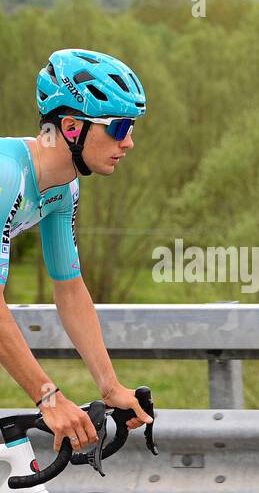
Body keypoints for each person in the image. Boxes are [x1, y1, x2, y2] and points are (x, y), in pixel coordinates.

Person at [0, 49, 153, 452]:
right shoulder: (6, 176)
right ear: (71, 127)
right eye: (120, 127)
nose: (130, 142)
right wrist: (48, 398)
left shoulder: (63, 188)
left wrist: (110, 385)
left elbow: (69, 289)